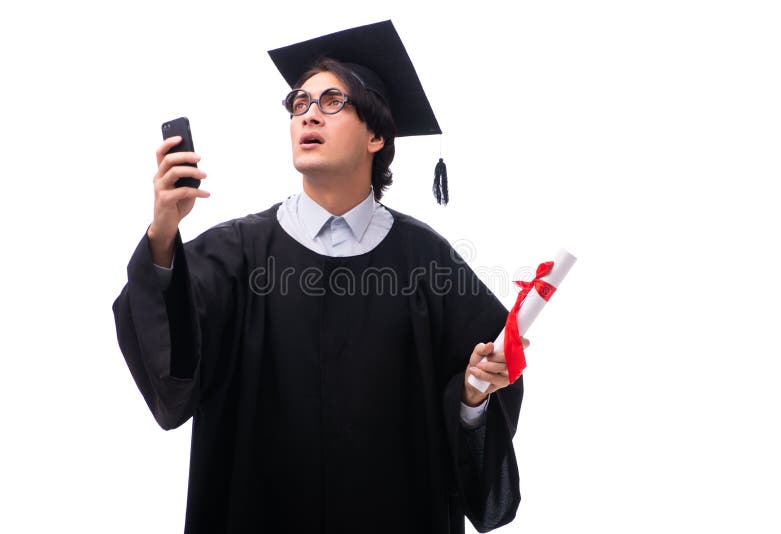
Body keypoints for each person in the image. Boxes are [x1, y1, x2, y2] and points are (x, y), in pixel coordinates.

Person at [113, 20, 525, 534]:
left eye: (332, 101)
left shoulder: (431, 266)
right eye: (300, 103)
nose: (309, 113)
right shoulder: (235, 254)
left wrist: (472, 396)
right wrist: (161, 236)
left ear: (376, 135)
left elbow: (480, 398)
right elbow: (172, 374)